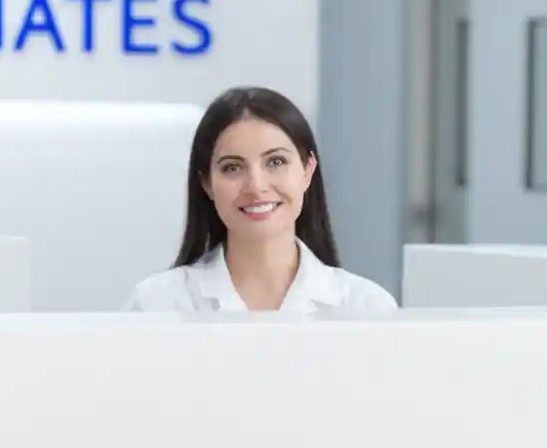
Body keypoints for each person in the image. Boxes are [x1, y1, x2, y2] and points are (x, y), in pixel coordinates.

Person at [124, 86, 399, 313]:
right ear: (207, 183)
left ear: (307, 170)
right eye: (233, 167)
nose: (256, 186)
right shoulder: (157, 304)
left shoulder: (367, 307)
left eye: (276, 161)